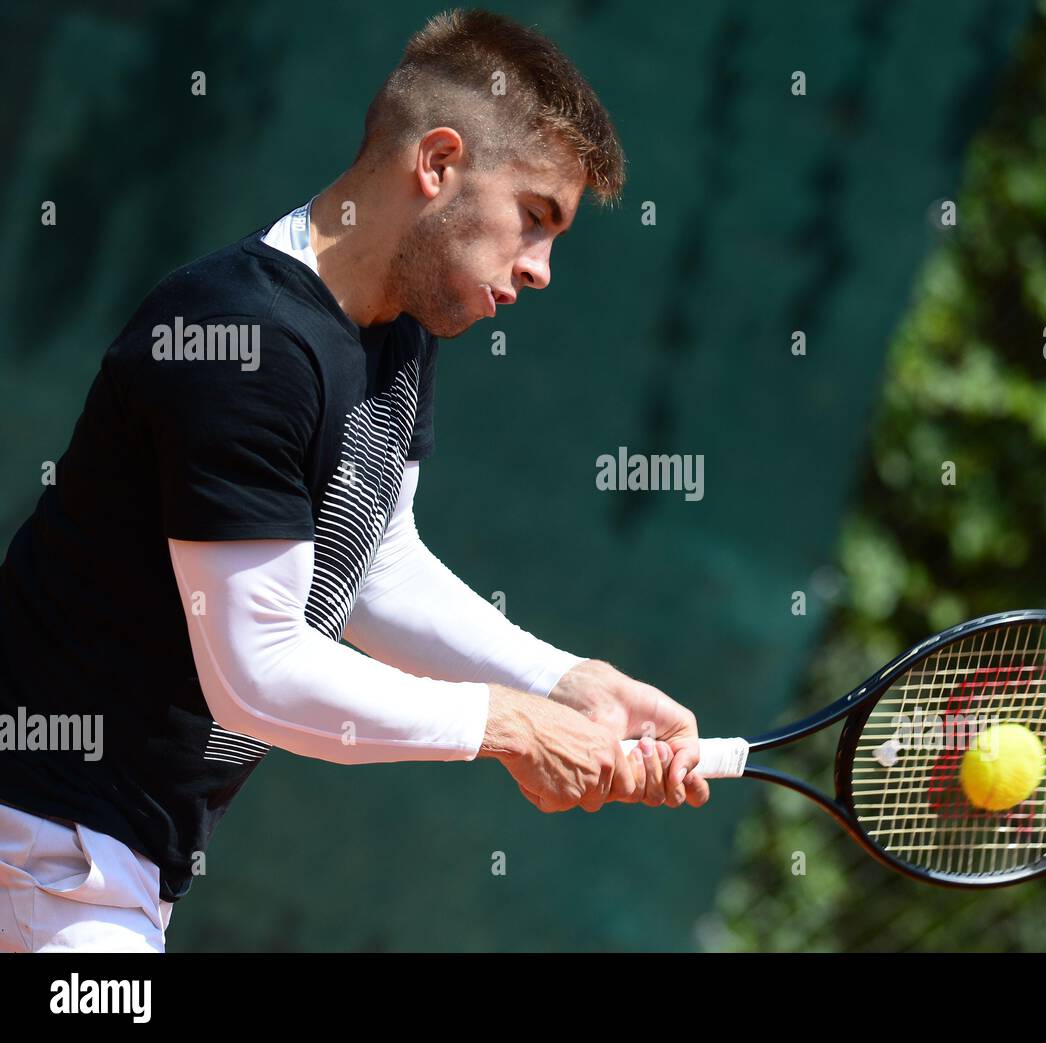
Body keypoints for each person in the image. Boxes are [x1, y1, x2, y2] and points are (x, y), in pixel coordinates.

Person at [0, 8, 708, 954]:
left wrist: (566, 683)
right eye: (535, 218)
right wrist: (512, 725)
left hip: (96, 856)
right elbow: (259, 673)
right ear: (438, 162)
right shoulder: (248, 344)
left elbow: (369, 567)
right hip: (44, 845)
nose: (539, 269)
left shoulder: (396, 329)